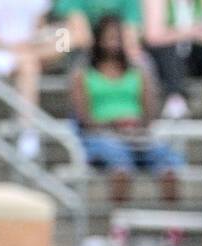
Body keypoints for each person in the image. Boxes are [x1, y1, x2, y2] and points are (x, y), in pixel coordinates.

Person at [71, 14, 184, 202]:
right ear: (98, 39)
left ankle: (172, 224)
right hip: (101, 137)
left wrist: (133, 124)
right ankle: (119, 224)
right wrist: (113, 124)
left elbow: (150, 114)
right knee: (120, 165)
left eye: (117, 37)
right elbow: (83, 118)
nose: (113, 42)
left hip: (137, 135)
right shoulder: (82, 75)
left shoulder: (140, 72)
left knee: (169, 165)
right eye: (108, 37)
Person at [0, 0, 63, 159]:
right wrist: (16, 47)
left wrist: (39, 41)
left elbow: (39, 28)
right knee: (29, 66)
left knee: (67, 37)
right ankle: (28, 129)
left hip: (28, 51)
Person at [142, 0, 202, 118]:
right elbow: (153, 37)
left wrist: (177, 33)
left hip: (198, 55)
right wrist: (192, 32)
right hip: (168, 58)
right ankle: (175, 99)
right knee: (170, 50)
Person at [54, 0, 144, 59]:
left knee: (140, 58)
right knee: (66, 38)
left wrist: (129, 46)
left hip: (120, 45)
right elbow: (81, 33)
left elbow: (131, 29)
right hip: (81, 45)